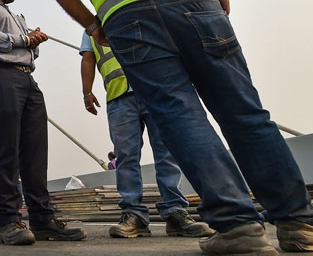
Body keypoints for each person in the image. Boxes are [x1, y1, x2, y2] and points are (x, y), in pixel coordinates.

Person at [48, 0, 313, 256]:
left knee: (180, 116)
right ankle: (299, 223)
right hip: (194, 3)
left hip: (129, 20)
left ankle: (238, 228)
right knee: (244, 112)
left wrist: (93, 25)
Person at [0, 0, 87, 245]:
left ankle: (43, 220)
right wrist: (25, 39)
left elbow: (27, 47)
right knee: (7, 147)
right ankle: (8, 221)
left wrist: (34, 41)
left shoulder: (16, 17)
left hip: (26, 79)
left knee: (35, 151)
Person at [80, 31, 213, 239]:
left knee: (167, 152)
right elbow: (88, 58)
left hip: (156, 90)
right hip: (119, 96)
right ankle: (133, 214)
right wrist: (87, 92)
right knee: (125, 156)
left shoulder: (140, 14)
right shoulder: (92, 28)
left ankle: (175, 212)